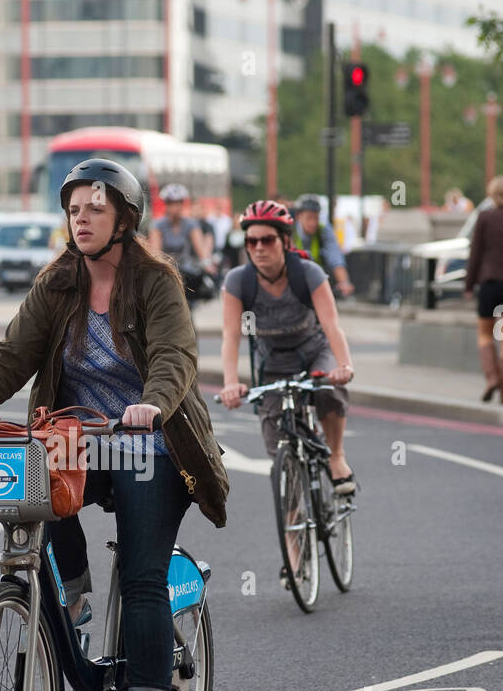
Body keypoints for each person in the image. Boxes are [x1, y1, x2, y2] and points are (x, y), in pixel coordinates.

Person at [0, 159, 228, 691]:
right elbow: (10, 356)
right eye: (74, 210)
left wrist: (151, 404)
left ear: (124, 218)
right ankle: (75, 595)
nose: (82, 219)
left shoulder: (156, 283)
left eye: (95, 209)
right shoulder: (58, 283)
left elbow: (175, 356)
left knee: (145, 574)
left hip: (150, 445)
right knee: (30, 485)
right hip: (76, 440)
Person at [218, 199, 356, 496]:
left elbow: (332, 326)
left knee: (329, 391)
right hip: (273, 362)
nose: (258, 248)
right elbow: (231, 336)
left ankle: (336, 456)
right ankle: (294, 527)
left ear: (285, 241)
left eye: (267, 240)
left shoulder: (308, 273)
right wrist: (230, 383)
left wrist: (344, 366)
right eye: (251, 241)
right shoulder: (238, 281)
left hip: (313, 352)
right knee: (276, 446)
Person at [464, 174, 503, 404]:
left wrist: (469, 285)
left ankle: (491, 378)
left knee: (485, 334)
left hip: (489, 282)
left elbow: (475, 254)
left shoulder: (485, 217)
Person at [147, 184, 213, 307]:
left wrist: (207, 263)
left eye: (179, 203)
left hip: (186, 270)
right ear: (166, 205)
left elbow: (201, 249)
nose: (175, 207)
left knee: (197, 293)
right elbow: (155, 253)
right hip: (166, 270)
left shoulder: (190, 224)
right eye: (171, 203)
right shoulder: (158, 225)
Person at [292, 195, 354, 297]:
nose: (313, 223)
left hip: (317, 281)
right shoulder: (290, 231)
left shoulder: (324, 230)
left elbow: (335, 257)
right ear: (299, 216)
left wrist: (344, 282)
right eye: (309, 218)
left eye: (316, 218)